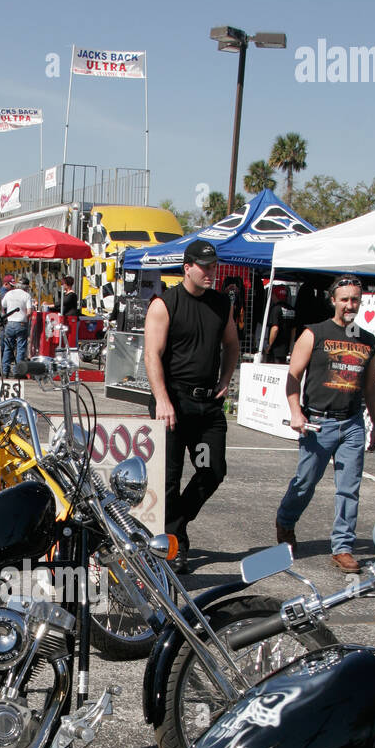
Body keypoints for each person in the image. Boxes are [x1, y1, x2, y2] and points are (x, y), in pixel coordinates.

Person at [143, 240, 239, 572]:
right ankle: (174, 545)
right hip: (174, 403)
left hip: (207, 406)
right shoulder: (165, 304)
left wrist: (226, 379)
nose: (212, 272)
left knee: (212, 470)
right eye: (205, 266)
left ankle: (175, 526)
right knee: (168, 480)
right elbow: (151, 354)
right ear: (187, 267)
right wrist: (162, 399)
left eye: (214, 266)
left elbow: (232, 345)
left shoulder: (220, 304)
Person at [275, 275, 375, 574]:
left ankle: (343, 547)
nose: (350, 305)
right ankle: (285, 521)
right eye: (345, 299)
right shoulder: (314, 333)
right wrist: (296, 412)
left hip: (352, 423)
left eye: (355, 299)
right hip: (318, 423)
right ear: (333, 300)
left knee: (349, 488)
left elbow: (372, 387)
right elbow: (293, 375)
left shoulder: (367, 340)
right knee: (305, 482)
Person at [0, 275, 33, 377]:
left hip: (9, 323)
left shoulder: (9, 294)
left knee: (8, 348)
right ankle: (18, 372)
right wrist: (25, 317)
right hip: (21, 323)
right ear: (26, 287)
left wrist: (4, 317)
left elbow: (1, 306)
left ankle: (5, 371)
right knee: (21, 348)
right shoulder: (27, 296)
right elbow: (29, 312)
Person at [263, 284, 295, 363]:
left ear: (275, 295)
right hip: (286, 347)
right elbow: (293, 329)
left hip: (275, 348)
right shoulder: (291, 309)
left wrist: (269, 346)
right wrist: (291, 346)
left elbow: (275, 329)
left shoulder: (275, 309)